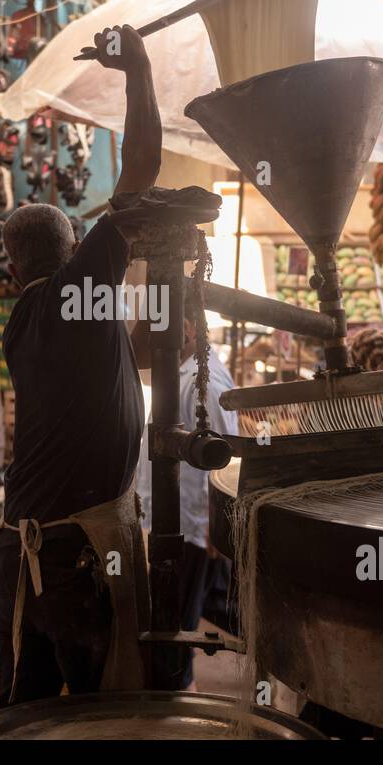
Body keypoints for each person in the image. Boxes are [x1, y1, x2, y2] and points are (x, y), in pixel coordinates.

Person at [0, 25, 158, 708]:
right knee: (95, 717)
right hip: (63, 563)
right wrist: (137, 71)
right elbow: (141, 170)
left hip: (30, 553)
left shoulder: (36, 320)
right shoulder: (70, 299)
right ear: (72, 259)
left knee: (26, 714)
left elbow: (132, 358)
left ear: (11, 267)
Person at [134, 290, 237, 690]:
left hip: (192, 529)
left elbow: (218, 460)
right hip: (182, 524)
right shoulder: (183, 374)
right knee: (196, 609)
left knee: (177, 627)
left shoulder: (201, 383)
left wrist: (215, 526)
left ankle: (177, 704)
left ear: (189, 329)